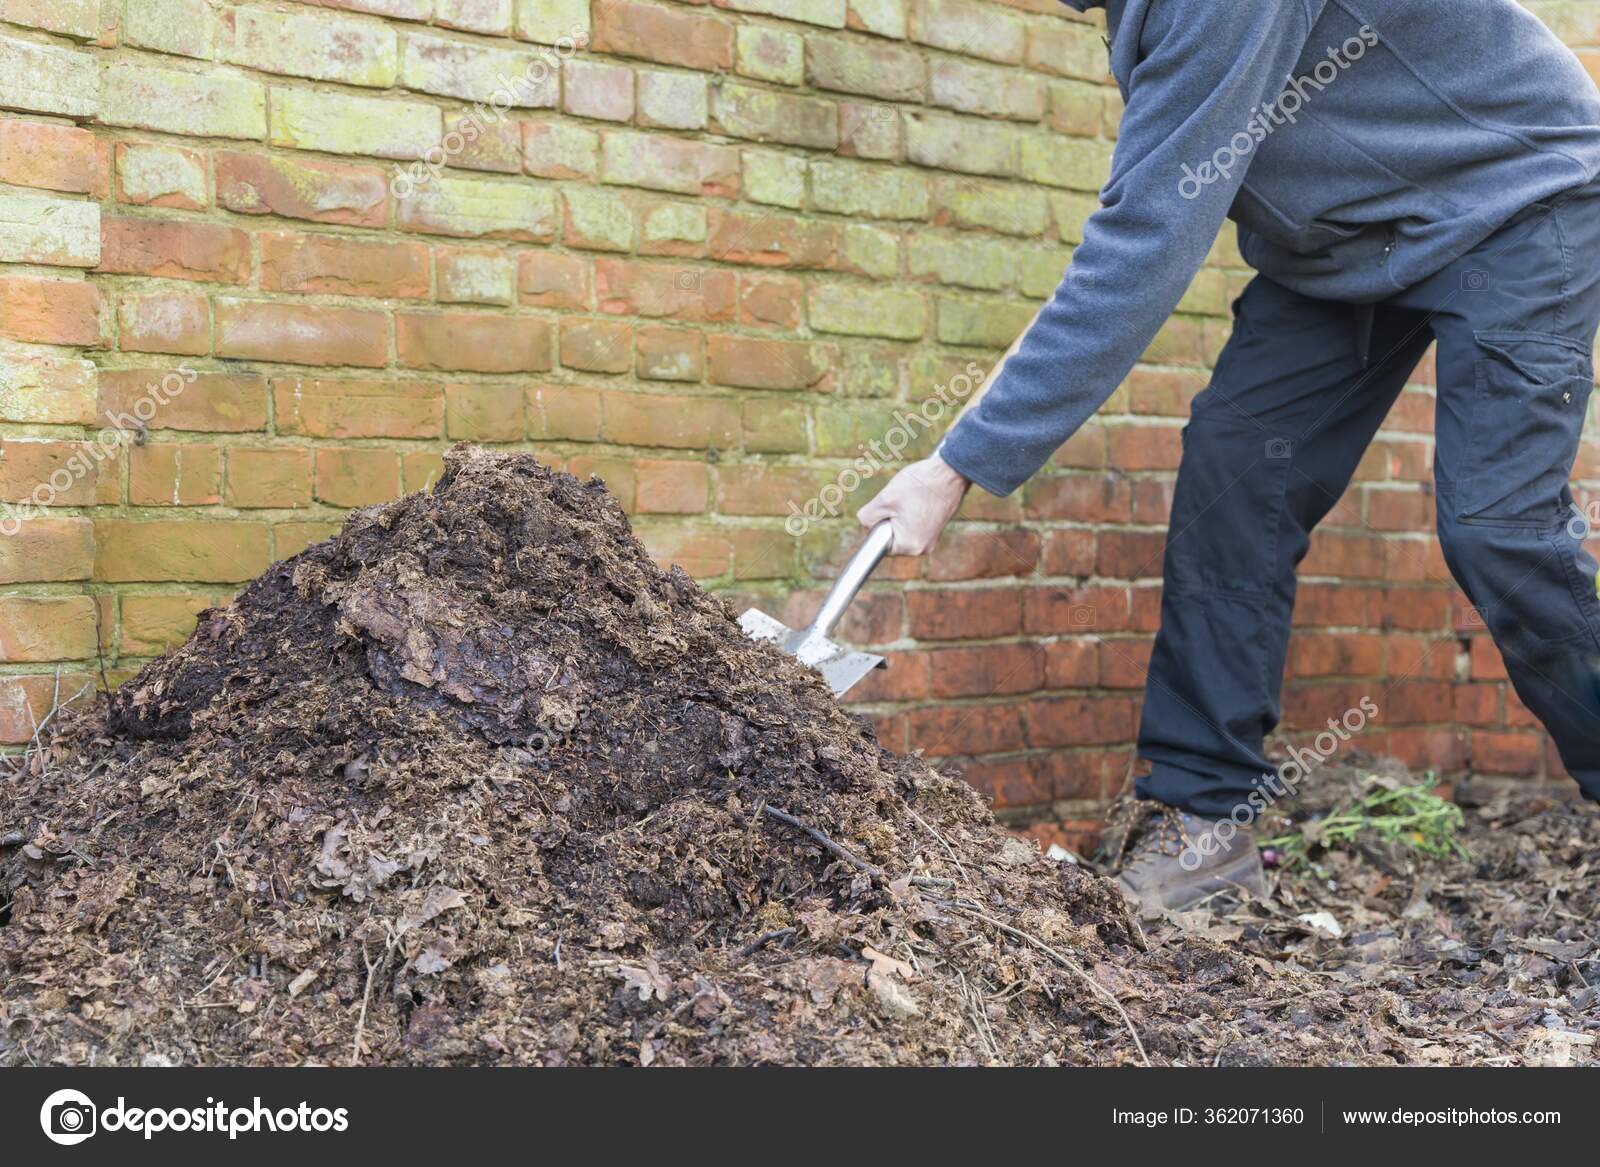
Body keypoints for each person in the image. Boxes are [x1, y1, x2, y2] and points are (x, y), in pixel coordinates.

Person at [858, 0, 1600, 910]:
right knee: (1236, 474)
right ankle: (1201, 820)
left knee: (1498, 527)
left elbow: (1144, 242)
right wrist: (959, 452)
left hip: (1514, 196)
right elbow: (1140, 220)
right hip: (1344, 241)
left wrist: (954, 468)